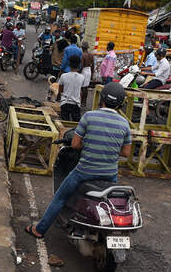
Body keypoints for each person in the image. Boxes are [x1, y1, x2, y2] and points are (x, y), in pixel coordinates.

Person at [25, 83, 132, 239]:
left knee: (60, 197)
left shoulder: (89, 117)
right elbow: (126, 152)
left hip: (85, 171)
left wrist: (89, 145)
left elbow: (75, 144)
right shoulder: (124, 124)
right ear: (121, 104)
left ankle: (39, 230)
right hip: (109, 174)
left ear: (101, 99)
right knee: (112, 200)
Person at [58, 55, 86, 121]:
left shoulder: (63, 76)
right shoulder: (82, 77)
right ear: (79, 65)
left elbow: (60, 90)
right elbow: (82, 91)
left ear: (69, 64)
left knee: (64, 123)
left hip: (65, 103)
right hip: (76, 104)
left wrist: (58, 99)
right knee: (75, 124)